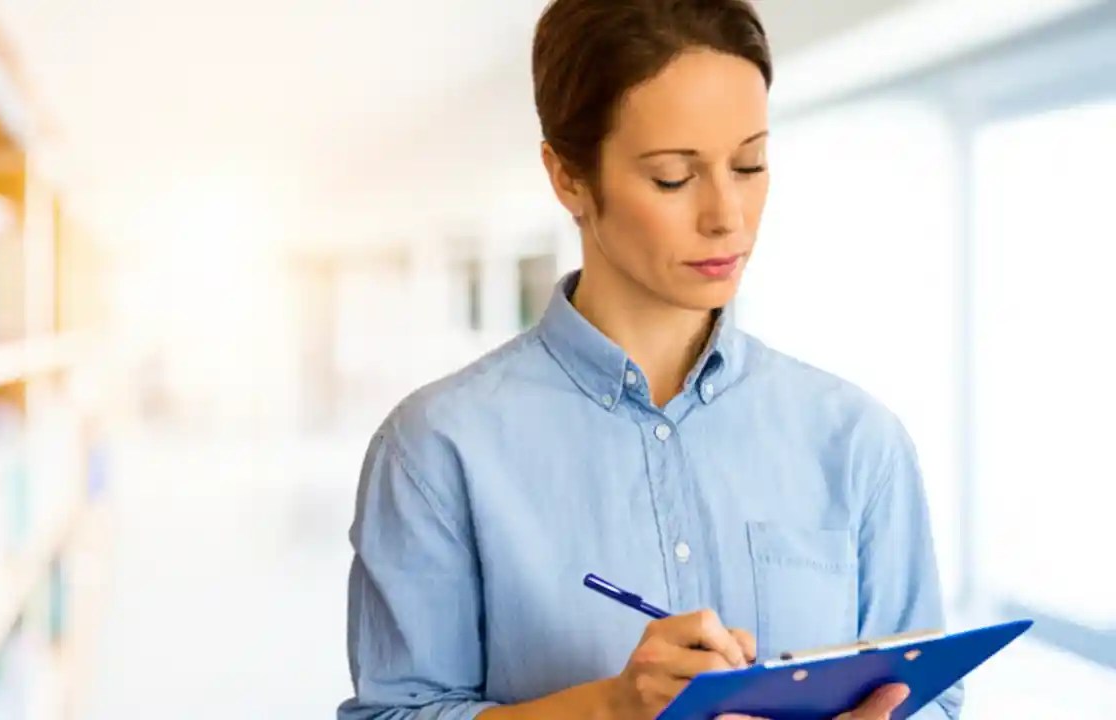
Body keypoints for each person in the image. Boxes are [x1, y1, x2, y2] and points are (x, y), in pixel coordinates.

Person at [338, 1, 961, 718]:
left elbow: (932, 701)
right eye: (673, 177)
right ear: (569, 177)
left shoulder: (858, 439)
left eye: (751, 164)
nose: (727, 214)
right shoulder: (437, 451)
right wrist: (613, 708)